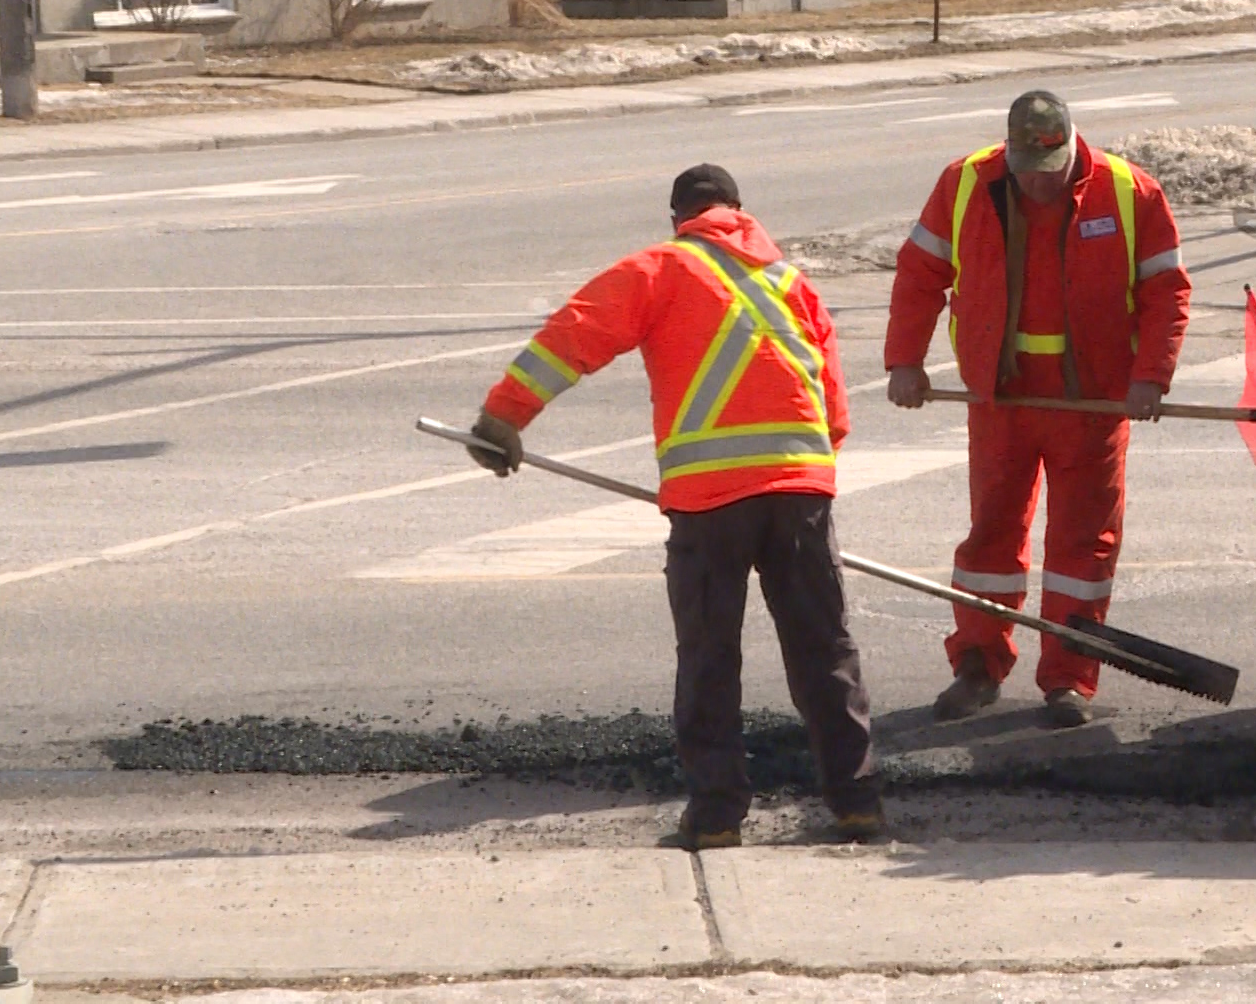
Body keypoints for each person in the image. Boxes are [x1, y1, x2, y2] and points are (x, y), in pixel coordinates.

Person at [466, 164, 882, 850]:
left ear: (677, 218)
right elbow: (833, 404)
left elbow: (577, 334)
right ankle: (857, 803)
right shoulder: (791, 284)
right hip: (800, 489)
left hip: (710, 500)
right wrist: (803, 464)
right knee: (823, 649)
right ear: (741, 213)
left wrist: (504, 418)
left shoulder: (660, 268)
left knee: (710, 656)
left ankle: (717, 816)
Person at [884, 89, 1193, 729]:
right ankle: (977, 663)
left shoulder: (1129, 191)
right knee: (991, 534)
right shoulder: (966, 182)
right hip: (1002, 395)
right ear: (1010, 150)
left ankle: (1069, 679)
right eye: (1027, 173)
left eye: (1049, 175)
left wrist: (1151, 376)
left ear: (1074, 147)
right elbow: (921, 273)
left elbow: (1166, 289)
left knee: (1083, 545)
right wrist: (904, 361)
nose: (1037, 186)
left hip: (1091, 401)